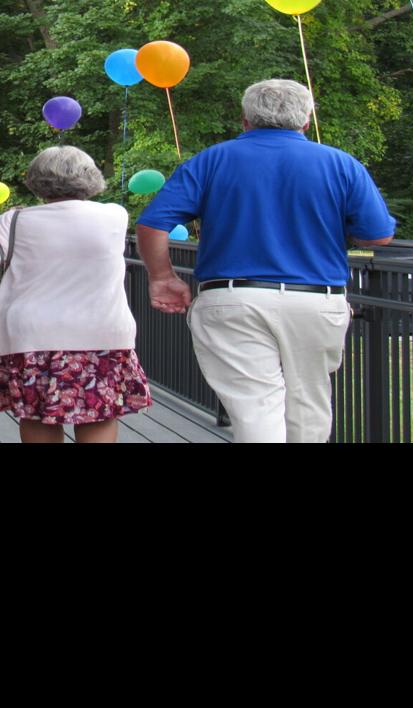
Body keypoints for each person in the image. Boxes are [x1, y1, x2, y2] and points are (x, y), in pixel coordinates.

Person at [136, 79, 396, 443]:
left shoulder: (211, 160)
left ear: (245, 120)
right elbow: (377, 236)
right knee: (310, 401)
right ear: (306, 120)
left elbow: (152, 223)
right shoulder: (341, 164)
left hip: (231, 300)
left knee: (255, 408)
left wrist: (162, 277)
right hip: (315, 299)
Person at [0, 146, 152, 444]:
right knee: (99, 414)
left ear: (35, 180)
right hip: (102, 334)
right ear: (91, 178)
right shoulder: (114, 216)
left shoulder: (15, 221)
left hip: (31, 336)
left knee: (36, 415)